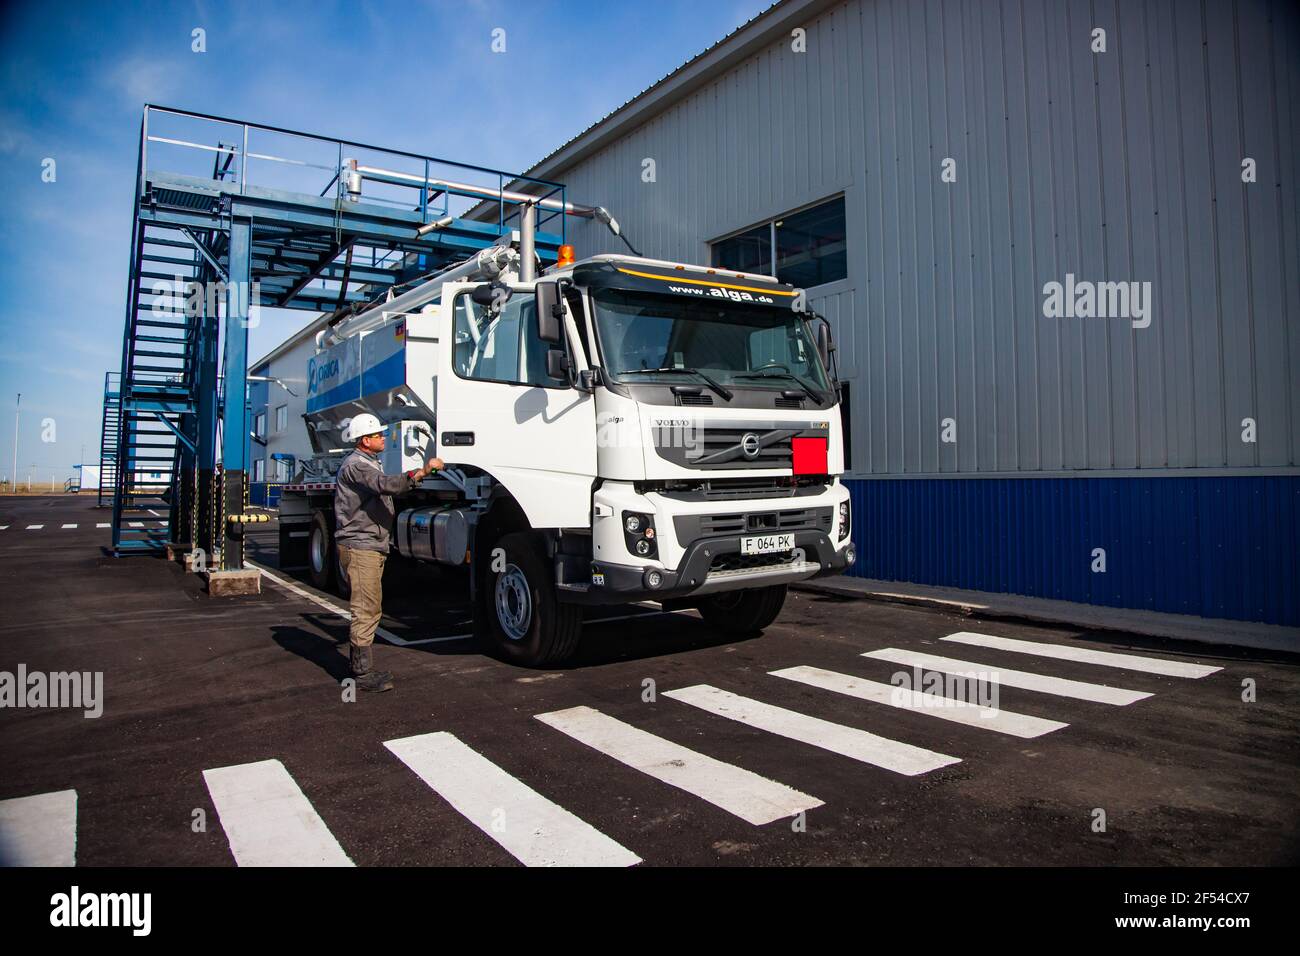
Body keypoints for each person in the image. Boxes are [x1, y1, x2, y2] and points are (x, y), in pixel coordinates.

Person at [334, 412, 442, 693]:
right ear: (365, 440)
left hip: (369, 545)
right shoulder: (358, 466)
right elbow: (386, 485)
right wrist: (423, 471)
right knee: (366, 608)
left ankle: (362, 668)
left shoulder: (366, 462)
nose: (384, 437)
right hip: (361, 546)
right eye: (378, 434)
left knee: (369, 606)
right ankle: (362, 673)